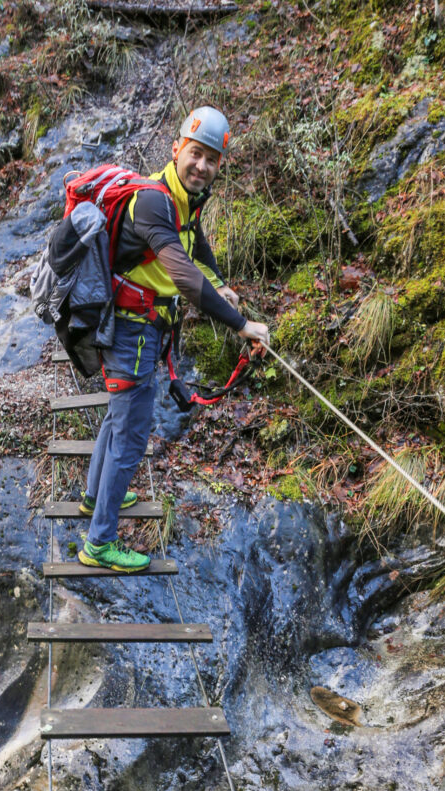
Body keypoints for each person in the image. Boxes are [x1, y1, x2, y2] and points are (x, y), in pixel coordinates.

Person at [78, 106, 270, 573]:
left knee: (117, 419)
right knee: (130, 437)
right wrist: (241, 324)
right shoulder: (153, 201)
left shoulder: (185, 199)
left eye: (211, 159)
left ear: (219, 164)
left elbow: (197, 245)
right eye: (195, 153)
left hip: (143, 328)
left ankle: (94, 498)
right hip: (131, 332)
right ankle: (99, 544)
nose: (201, 165)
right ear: (176, 149)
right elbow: (183, 275)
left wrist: (220, 283)